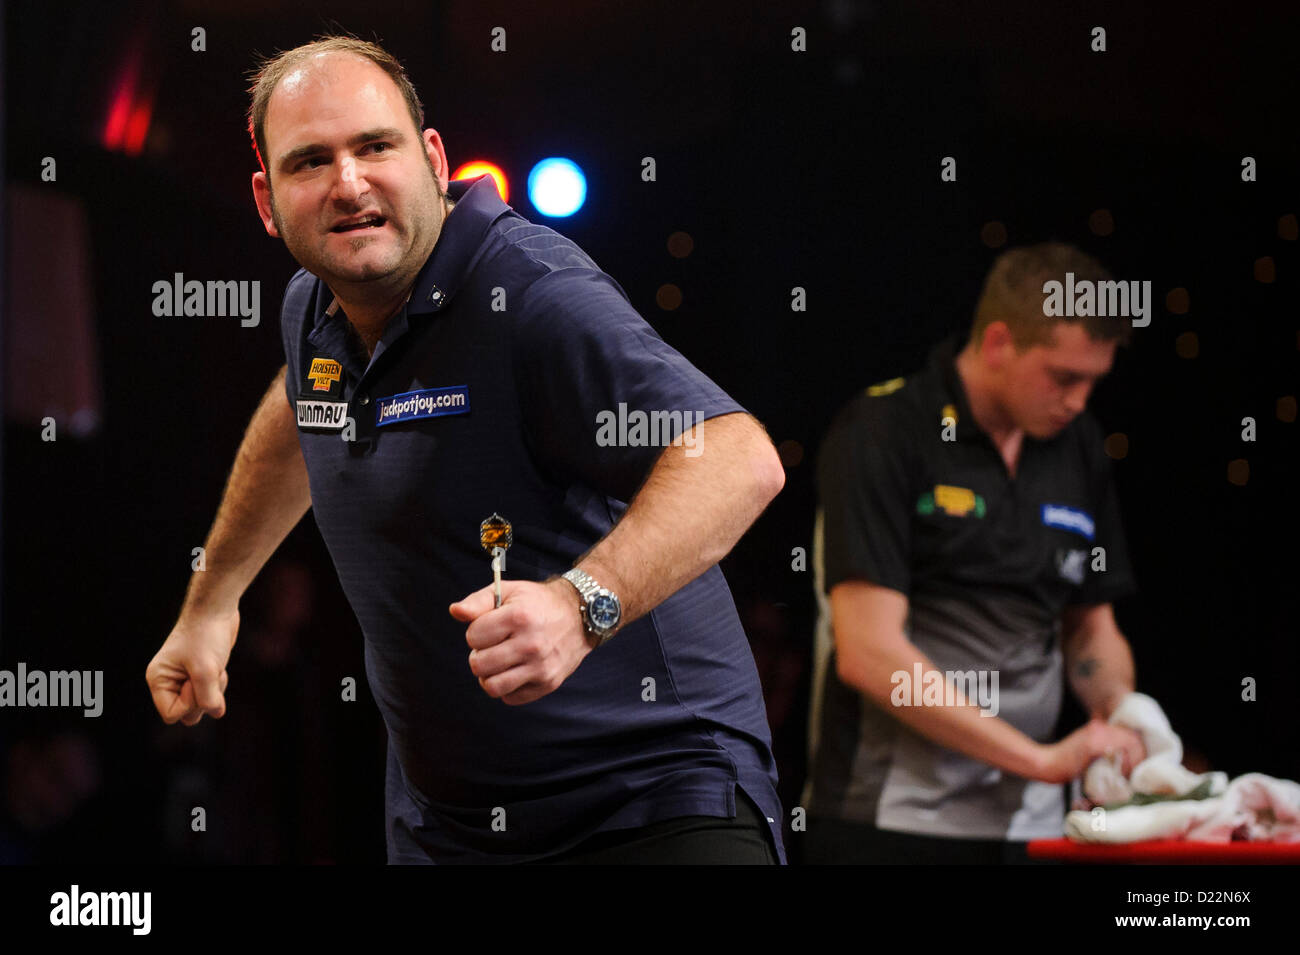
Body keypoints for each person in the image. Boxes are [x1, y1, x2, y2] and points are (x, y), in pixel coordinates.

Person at [145, 35, 787, 865]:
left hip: (655, 800)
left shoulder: (531, 293)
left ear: (433, 159)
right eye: (311, 162)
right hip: (455, 828)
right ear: (268, 202)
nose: (349, 184)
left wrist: (578, 605)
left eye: (375, 146)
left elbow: (739, 456)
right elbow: (296, 411)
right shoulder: (314, 310)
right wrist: (213, 601)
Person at [803, 242, 1149, 864]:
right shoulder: (882, 431)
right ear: (997, 344)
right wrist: (1042, 761)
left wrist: (1125, 713)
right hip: (890, 821)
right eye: (1064, 377)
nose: (1078, 401)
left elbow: (1090, 627)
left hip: (1034, 824)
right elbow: (869, 653)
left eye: (1093, 383)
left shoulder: (1079, 445)